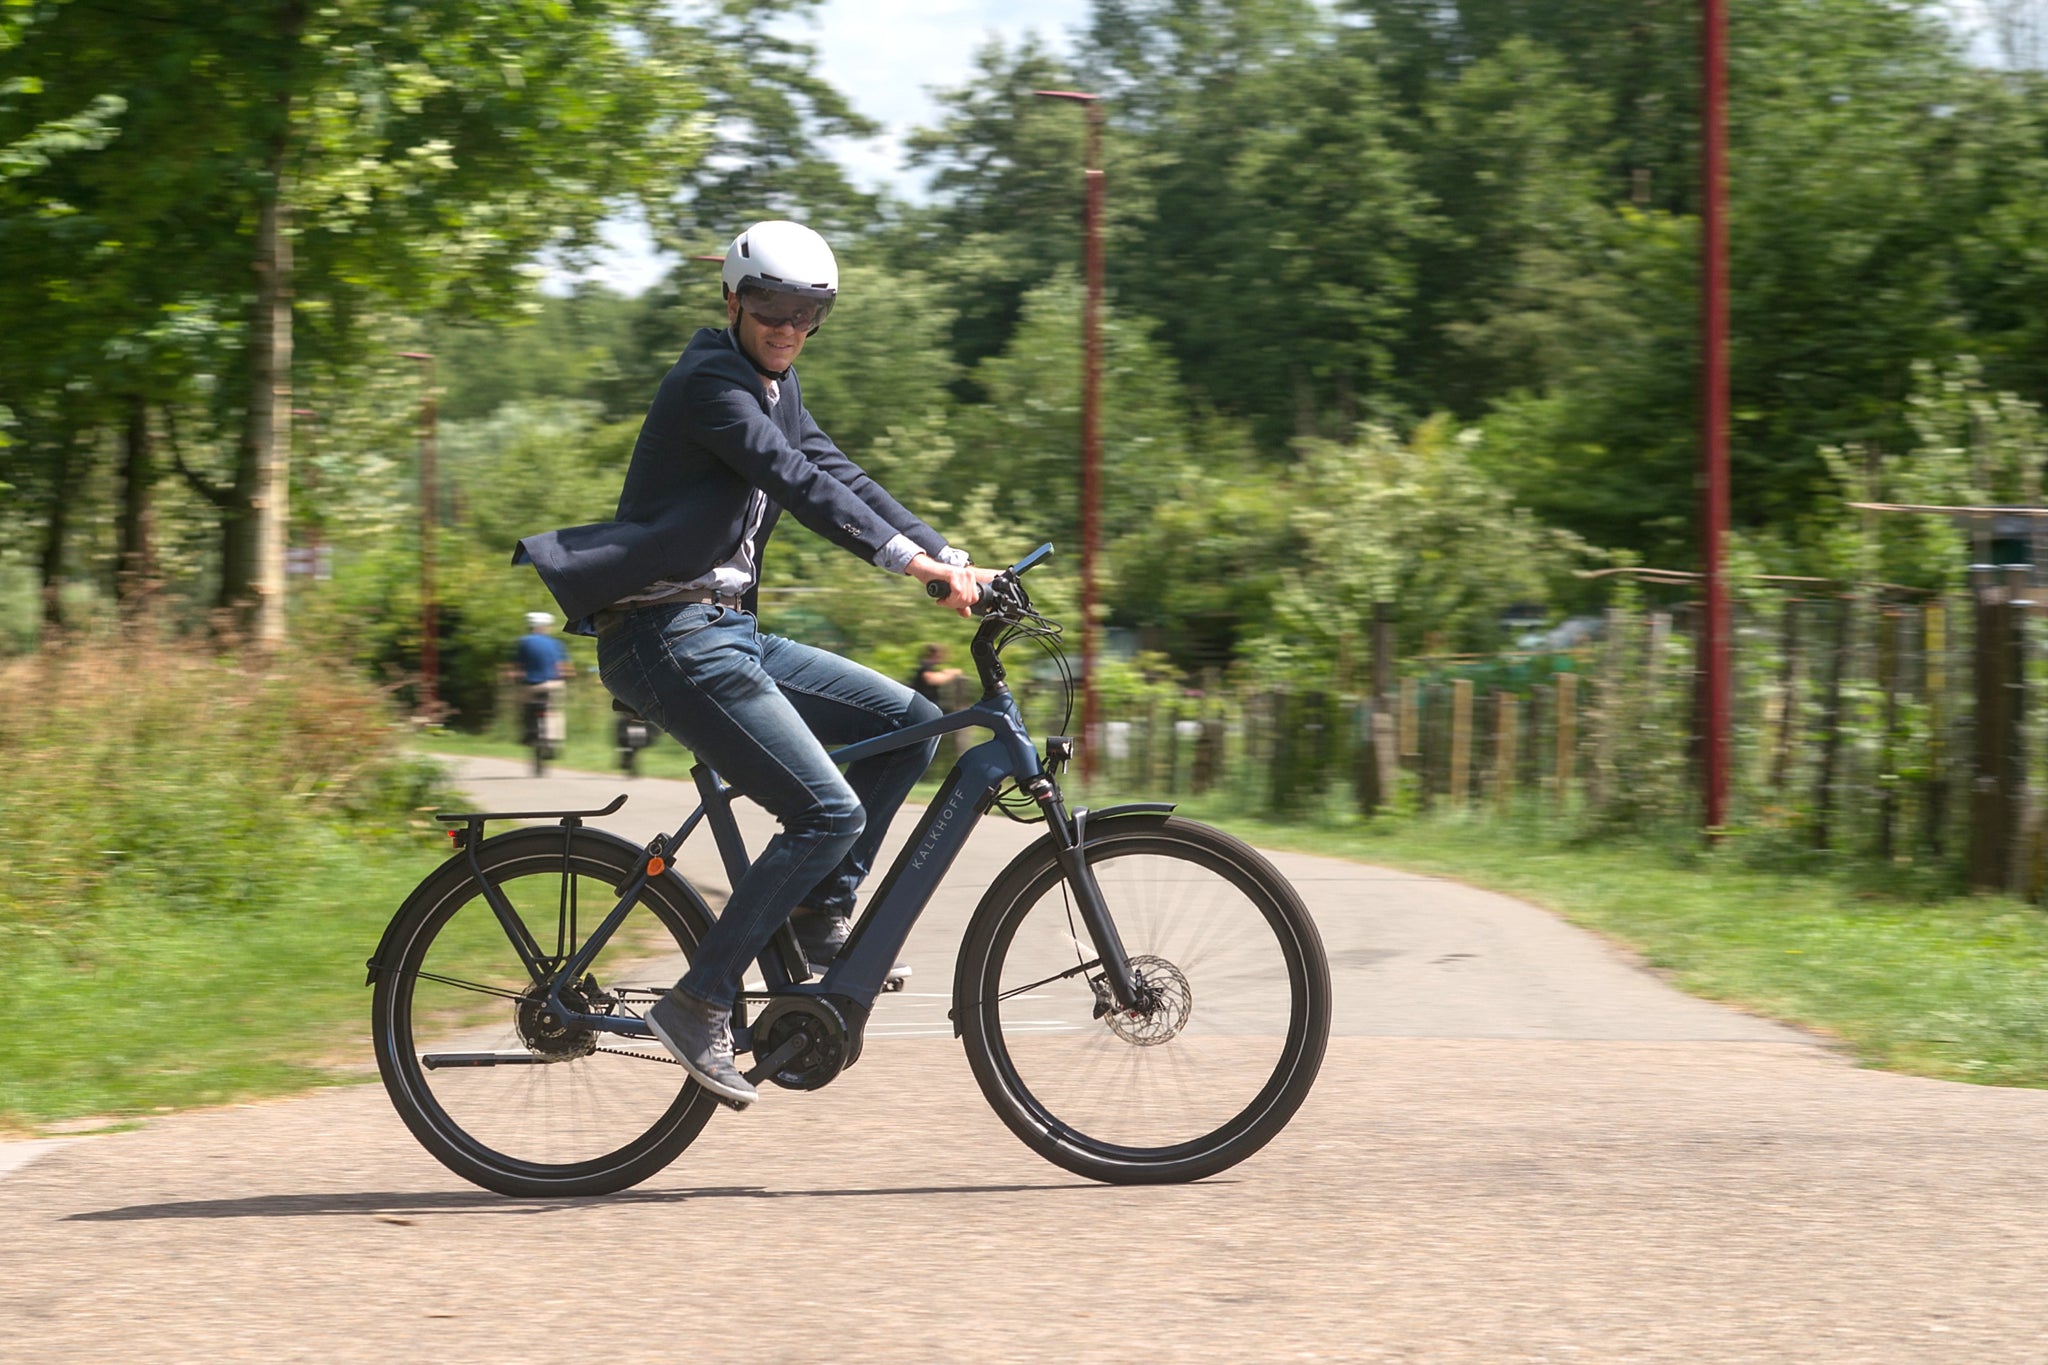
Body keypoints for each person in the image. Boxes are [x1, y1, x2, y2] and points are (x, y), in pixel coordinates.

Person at [514, 220, 996, 1108]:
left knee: (908, 722)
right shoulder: (710, 383)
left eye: (809, 312)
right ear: (733, 300)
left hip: (727, 631)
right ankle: (698, 1001)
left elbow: (838, 470)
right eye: (772, 306)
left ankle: (816, 912)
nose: (788, 326)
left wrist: (951, 558)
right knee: (827, 810)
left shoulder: (778, 385)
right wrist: (910, 566)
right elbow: (795, 482)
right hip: (666, 635)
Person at [511, 611, 574, 753]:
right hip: (553, 685)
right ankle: (553, 740)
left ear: (531, 626)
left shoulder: (524, 642)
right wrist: (565, 678)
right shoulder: (556, 643)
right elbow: (564, 669)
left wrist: (516, 678)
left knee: (521, 707)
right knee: (554, 711)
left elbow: (517, 668)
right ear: (545, 627)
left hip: (531, 686)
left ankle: (527, 733)